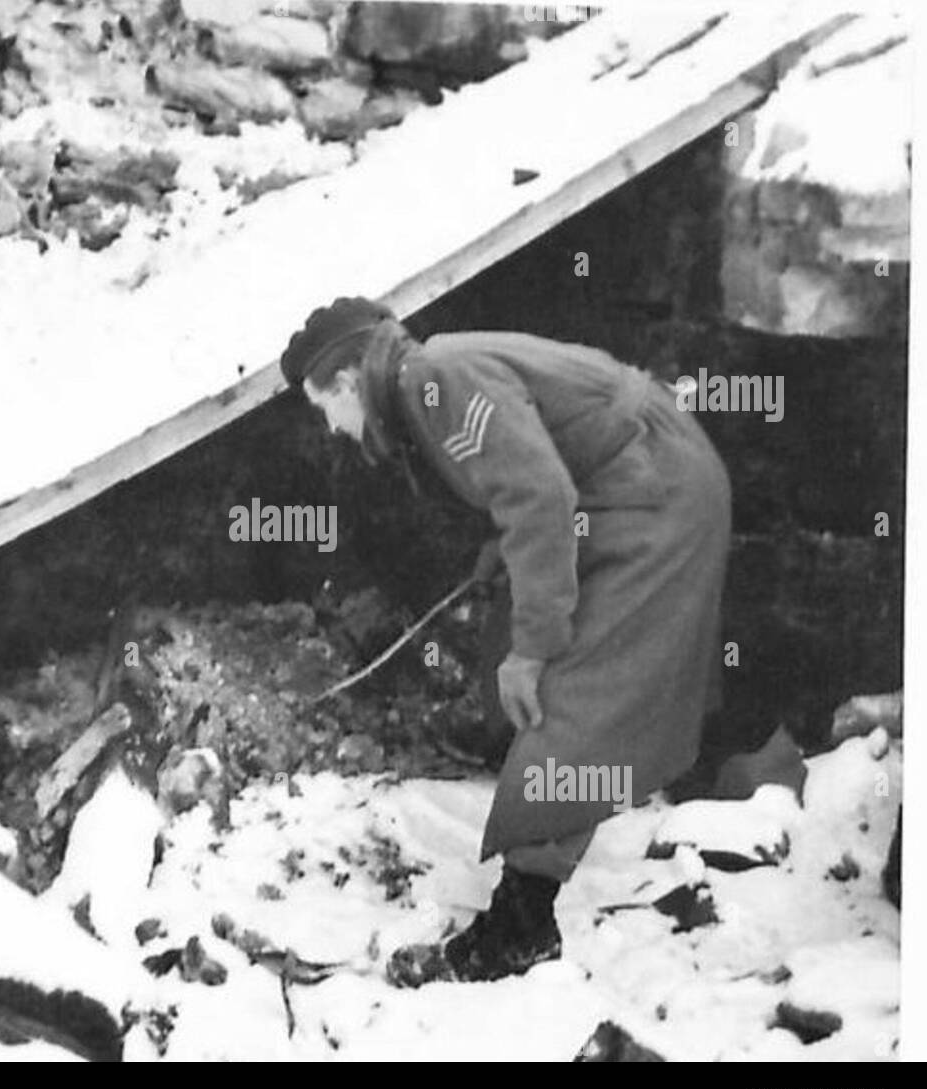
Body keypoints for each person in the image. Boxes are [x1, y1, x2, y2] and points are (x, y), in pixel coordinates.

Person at [280, 297, 732, 980]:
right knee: (520, 627)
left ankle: (521, 921)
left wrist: (535, 651)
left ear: (347, 382)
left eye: (325, 409)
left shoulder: (435, 379)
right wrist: (503, 547)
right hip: (624, 486)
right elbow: (530, 466)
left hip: (658, 496)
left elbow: (543, 498)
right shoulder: (424, 378)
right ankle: (511, 748)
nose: (336, 429)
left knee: (573, 693)